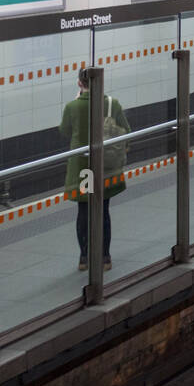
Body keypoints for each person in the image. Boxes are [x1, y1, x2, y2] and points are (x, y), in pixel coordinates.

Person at [60, 68, 129, 271]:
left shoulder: (72, 106)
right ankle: (105, 257)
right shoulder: (111, 104)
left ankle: (84, 258)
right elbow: (127, 130)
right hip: (105, 166)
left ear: (80, 84)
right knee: (103, 210)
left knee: (84, 211)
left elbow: (64, 130)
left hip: (83, 167)